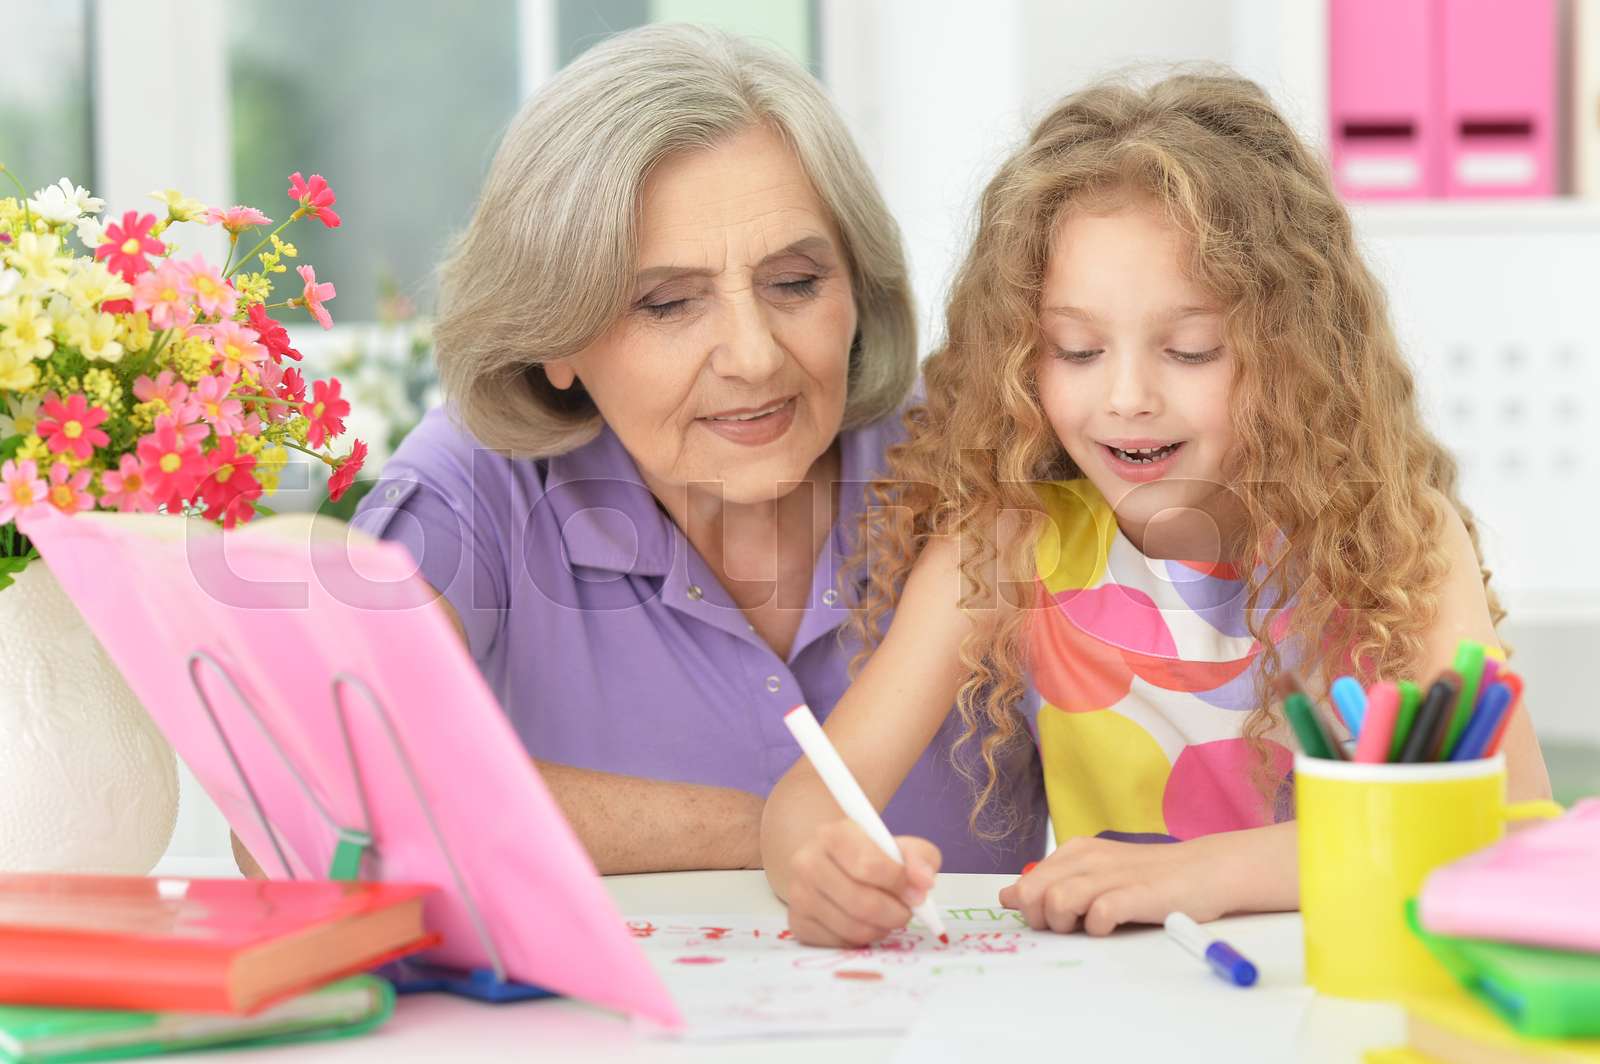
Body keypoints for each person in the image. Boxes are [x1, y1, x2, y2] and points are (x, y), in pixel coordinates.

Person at [760, 72, 1551, 946]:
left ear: (1293, 353)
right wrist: (821, 867)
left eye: (1190, 350)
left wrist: (1206, 873)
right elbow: (813, 797)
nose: (1127, 396)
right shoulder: (1008, 545)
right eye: (1078, 349)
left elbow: (1508, 825)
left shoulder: (1397, 542)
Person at [324, 25, 1045, 876]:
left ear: (860, 285)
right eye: (668, 303)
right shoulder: (476, 483)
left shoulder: (986, 465)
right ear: (552, 338)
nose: (754, 355)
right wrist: (768, 831)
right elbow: (308, 807)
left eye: (794, 284)